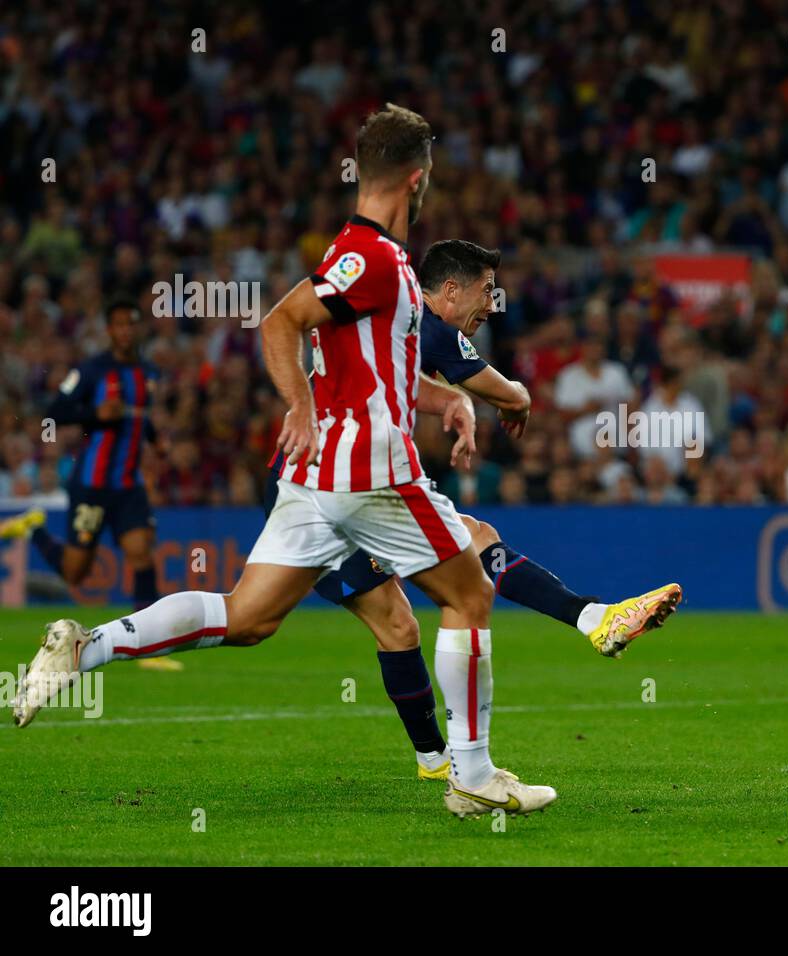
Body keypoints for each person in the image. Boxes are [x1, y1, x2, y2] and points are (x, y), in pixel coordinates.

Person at [14, 104, 553, 818]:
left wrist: (443, 400)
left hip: (318, 477)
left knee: (247, 618)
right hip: (370, 470)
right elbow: (280, 322)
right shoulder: (377, 258)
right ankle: (473, 775)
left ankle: (81, 650)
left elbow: (368, 366)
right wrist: (297, 403)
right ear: (417, 180)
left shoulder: (354, 255)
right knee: (470, 595)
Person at [265, 238, 682, 782]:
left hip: (313, 494)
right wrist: (512, 400)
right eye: (486, 291)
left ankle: (434, 761)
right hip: (338, 495)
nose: (493, 304)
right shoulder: (426, 323)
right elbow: (509, 395)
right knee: (473, 542)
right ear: (450, 290)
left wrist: (451, 403)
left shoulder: (388, 323)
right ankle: (592, 619)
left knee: (396, 627)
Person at [2, 299, 160, 610]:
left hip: (129, 484)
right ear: (109, 329)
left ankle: (148, 644)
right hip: (92, 483)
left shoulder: (147, 371)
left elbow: (140, 416)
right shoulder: (91, 370)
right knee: (75, 573)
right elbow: (55, 411)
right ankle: (34, 529)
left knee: (141, 552)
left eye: (131, 323)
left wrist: (156, 440)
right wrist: (95, 413)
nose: (126, 330)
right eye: (119, 324)